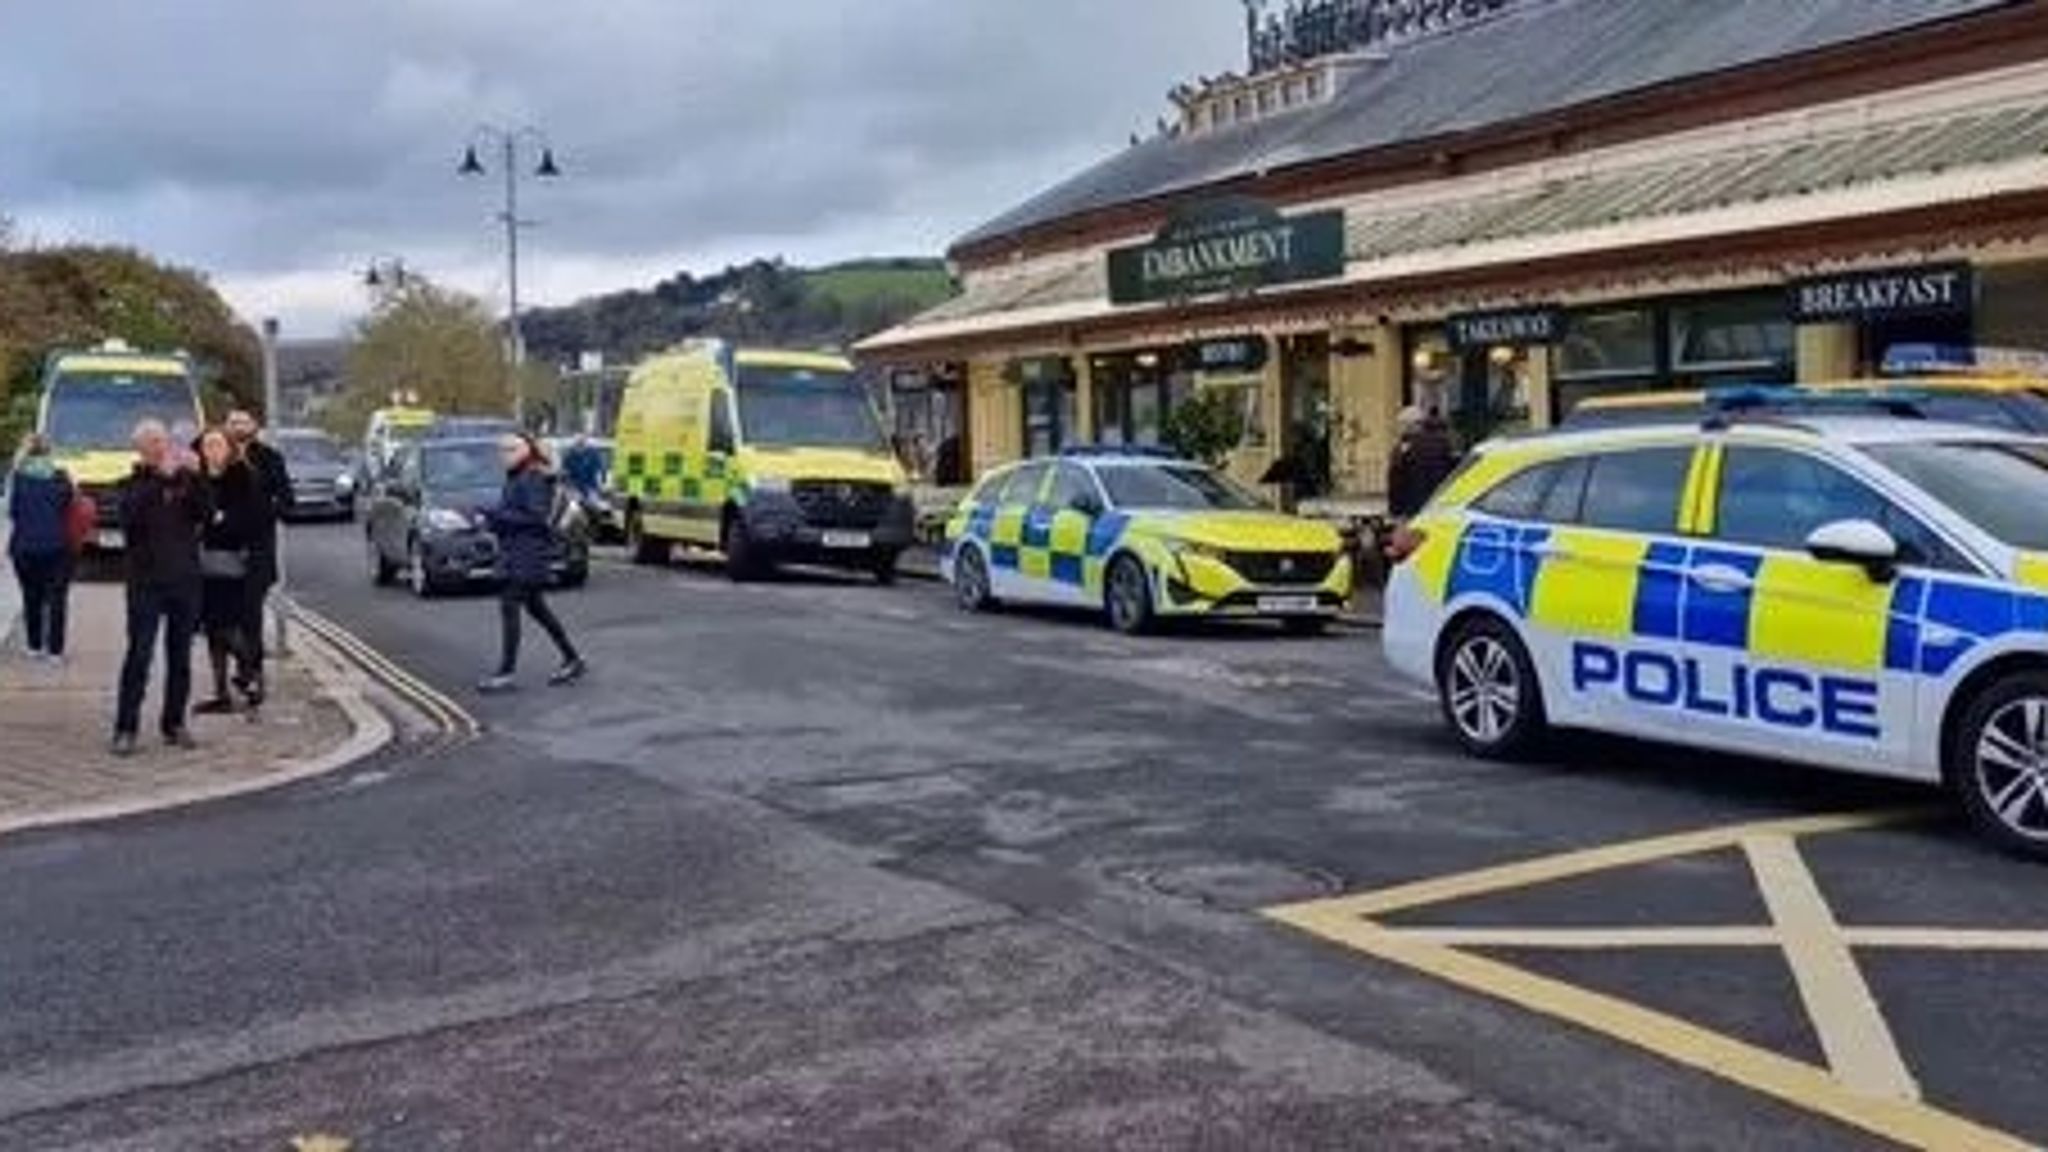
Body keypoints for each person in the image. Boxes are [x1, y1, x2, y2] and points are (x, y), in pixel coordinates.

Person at [113, 419, 209, 756]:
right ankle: (125, 728)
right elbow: (130, 520)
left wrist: (198, 477)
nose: (160, 446)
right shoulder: (131, 484)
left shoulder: (184, 480)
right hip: (146, 583)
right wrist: (161, 479)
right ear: (140, 448)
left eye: (163, 440)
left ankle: (174, 723)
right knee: (139, 655)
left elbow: (206, 514)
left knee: (180, 657)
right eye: (153, 442)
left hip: (184, 579)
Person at [478, 434, 585, 693]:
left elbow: (536, 517)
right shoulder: (518, 476)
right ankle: (572, 659)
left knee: (510, 604)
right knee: (538, 609)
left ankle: (506, 673)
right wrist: (492, 520)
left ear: (527, 450)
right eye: (501, 450)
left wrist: (496, 515)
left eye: (511, 449)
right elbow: (517, 514)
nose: (504, 454)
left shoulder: (532, 477)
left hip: (528, 553)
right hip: (518, 551)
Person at [193, 428, 263, 715]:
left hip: (231, 560)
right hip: (201, 562)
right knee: (211, 629)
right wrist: (215, 518)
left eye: (217, 444)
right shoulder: (197, 479)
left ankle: (251, 672)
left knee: (227, 625)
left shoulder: (242, 478)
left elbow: (244, 520)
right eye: (207, 445)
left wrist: (219, 519)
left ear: (229, 448)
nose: (211, 450)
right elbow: (198, 516)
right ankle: (221, 693)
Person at [225, 408, 289, 701]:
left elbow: (287, 500)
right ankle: (244, 668)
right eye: (233, 422)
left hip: (259, 548)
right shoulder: (217, 454)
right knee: (225, 617)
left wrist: (265, 513)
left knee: (250, 614)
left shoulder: (270, 458)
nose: (239, 427)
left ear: (255, 426)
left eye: (244, 421)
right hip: (223, 549)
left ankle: (252, 674)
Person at [7, 434, 76, 662]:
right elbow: (70, 507)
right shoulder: (61, 477)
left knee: (31, 597)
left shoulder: (16, 478)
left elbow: (10, 511)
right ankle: (55, 652)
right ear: (49, 452)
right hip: (56, 546)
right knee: (57, 599)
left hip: (23, 547)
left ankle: (34, 646)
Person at [1387, 405, 1460, 520]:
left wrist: (1395, 510)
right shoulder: (1446, 442)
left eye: (1401, 425)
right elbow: (1457, 471)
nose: (1400, 429)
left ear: (1408, 425)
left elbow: (1396, 480)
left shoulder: (1404, 448)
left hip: (1414, 508)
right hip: (1443, 506)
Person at [560, 434, 604, 500]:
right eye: (578, 442)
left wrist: (601, 481)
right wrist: (566, 484)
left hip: (590, 486)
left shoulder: (593, 453)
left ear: (585, 442)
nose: (580, 445)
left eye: (582, 442)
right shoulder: (569, 455)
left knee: (593, 503)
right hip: (574, 487)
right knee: (575, 504)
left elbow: (600, 468)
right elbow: (564, 471)